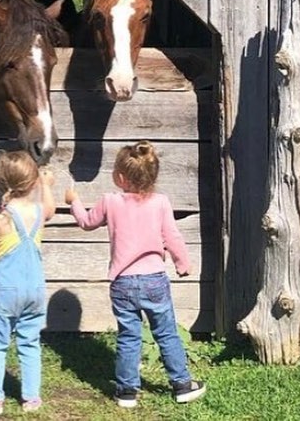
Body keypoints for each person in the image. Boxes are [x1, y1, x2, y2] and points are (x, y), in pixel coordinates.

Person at [65, 141, 206, 408]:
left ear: (120, 177)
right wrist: (183, 263)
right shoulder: (161, 202)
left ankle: (127, 392)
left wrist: (74, 202)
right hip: (154, 280)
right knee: (166, 333)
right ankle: (182, 385)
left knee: (128, 336)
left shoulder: (110, 202)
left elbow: (86, 223)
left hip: (122, 284)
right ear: (153, 176)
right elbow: (172, 236)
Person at [0, 150, 56, 416]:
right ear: (33, 181)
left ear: (1, 183)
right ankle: (31, 398)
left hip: (5, 292)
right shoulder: (39, 213)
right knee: (30, 343)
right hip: (35, 291)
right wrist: (46, 185)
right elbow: (51, 209)